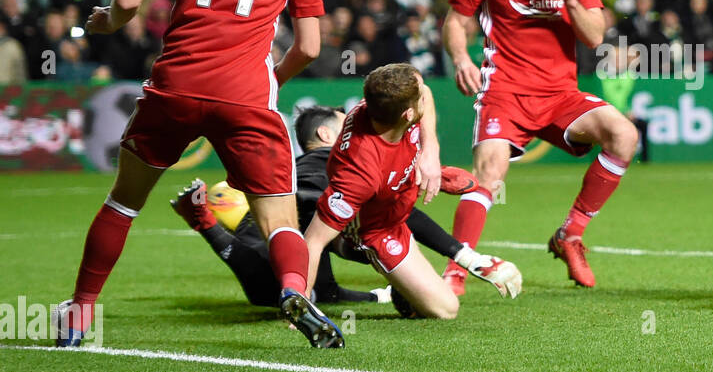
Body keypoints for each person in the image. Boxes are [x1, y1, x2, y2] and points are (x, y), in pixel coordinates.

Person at [58, 0, 360, 349]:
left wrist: (105, 22)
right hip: (245, 95)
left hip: (176, 84)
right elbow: (311, 46)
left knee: (123, 204)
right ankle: (294, 290)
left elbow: (129, 2)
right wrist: (270, 77)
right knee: (279, 218)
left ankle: (81, 313)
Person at [441, 0, 639, 290]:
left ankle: (571, 234)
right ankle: (455, 272)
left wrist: (570, 0)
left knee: (624, 135)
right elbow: (456, 22)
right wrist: (461, 58)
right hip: (504, 92)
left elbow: (595, 37)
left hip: (560, 94)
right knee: (489, 172)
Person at [167, 104, 504, 311]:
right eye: (347, 125)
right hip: (312, 226)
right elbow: (395, 211)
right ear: (329, 133)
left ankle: (205, 223)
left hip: (266, 257)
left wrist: (379, 297)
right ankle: (207, 223)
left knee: (299, 280)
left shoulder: (291, 170)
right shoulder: (346, 162)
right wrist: (462, 254)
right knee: (380, 221)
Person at [302, 64, 522, 321]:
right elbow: (312, 241)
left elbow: (425, 93)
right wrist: (301, 306)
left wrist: (430, 151)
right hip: (376, 230)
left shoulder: (379, 104)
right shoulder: (359, 174)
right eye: (418, 100)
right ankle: (357, 254)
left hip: (396, 203)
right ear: (408, 114)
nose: (424, 97)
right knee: (446, 309)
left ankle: (407, 287)